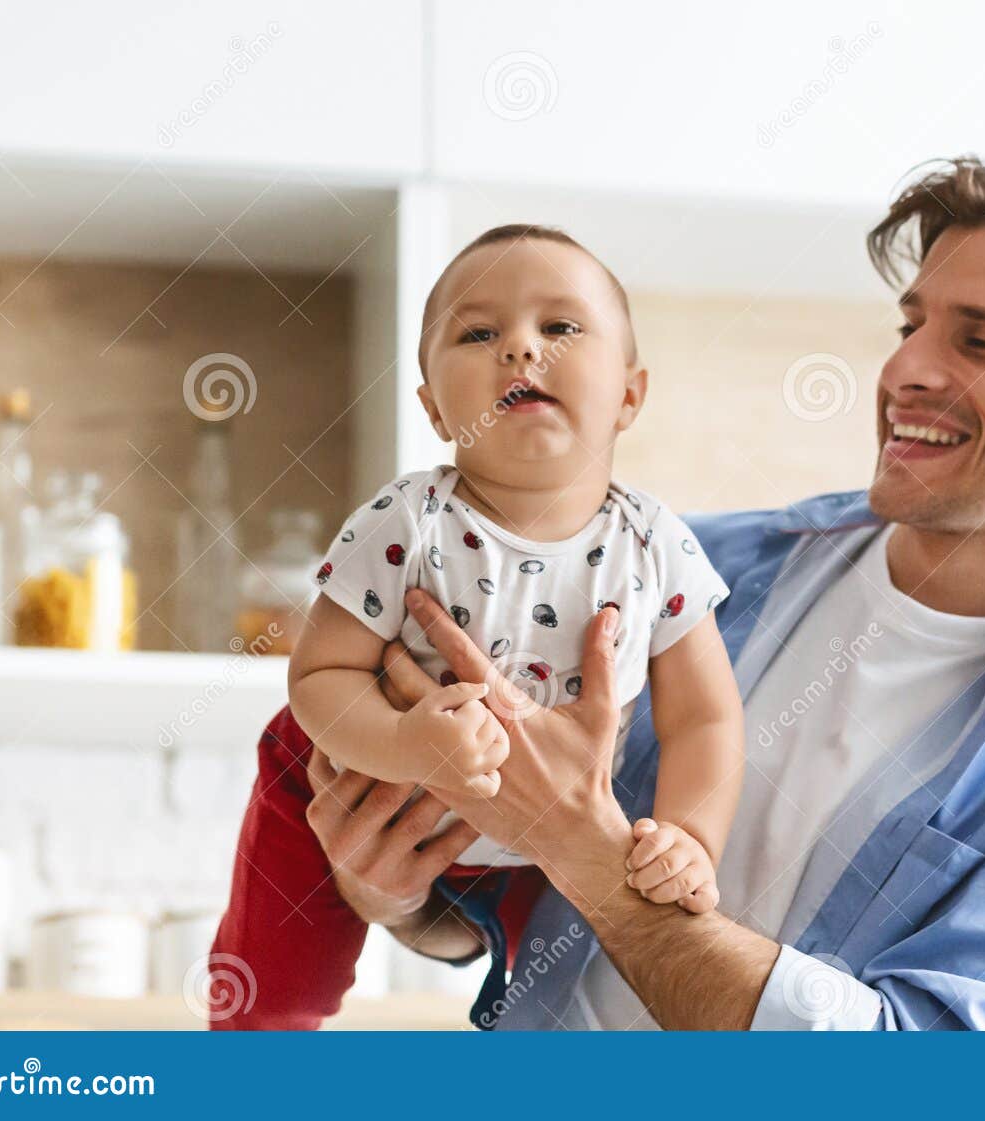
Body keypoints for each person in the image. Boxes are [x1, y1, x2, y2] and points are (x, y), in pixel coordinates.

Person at [211, 146, 985, 1030]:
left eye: (981, 339)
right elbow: (503, 902)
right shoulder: (682, 572)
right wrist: (389, 890)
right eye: (910, 323)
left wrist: (588, 845)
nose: (906, 366)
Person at [280, 225, 743, 1021]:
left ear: (630, 395)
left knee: (571, 997)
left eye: (560, 327)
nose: (521, 350)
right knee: (285, 767)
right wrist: (407, 743)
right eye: (479, 332)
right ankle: (259, 1030)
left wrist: (688, 836)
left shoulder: (658, 544)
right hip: (385, 794)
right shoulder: (405, 521)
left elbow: (706, 715)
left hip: (561, 853)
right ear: (431, 407)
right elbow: (320, 675)